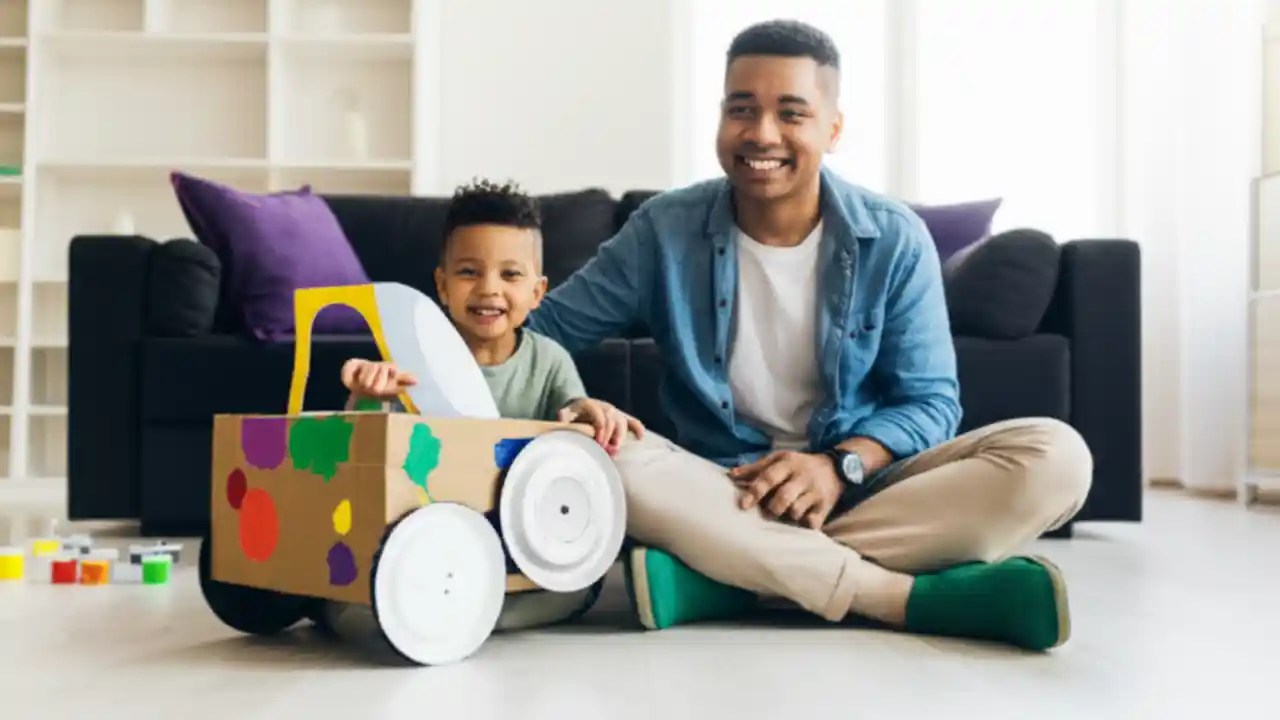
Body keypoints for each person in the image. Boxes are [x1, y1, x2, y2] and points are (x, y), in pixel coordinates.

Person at [524, 20, 1091, 651]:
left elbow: (932, 404)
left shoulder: (894, 238)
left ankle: (727, 578)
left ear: (833, 128)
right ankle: (899, 598)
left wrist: (836, 466)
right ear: (720, 118)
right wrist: (577, 404)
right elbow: (539, 335)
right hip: (721, 488)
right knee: (607, 457)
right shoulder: (663, 230)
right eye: (742, 109)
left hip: (862, 489)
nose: (762, 134)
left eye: (791, 113)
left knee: (1056, 457)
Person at [341, 178, 645, 630]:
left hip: (517, 543)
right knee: (361, 579)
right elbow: (358, 455)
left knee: (579, 587)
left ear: (537, 293)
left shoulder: (548, 360)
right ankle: (419, 606)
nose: (488, 289)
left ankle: (458, 612)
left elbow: (575, 419)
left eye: (510, 274)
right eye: (468, 272)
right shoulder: (413, 359)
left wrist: (589, 412)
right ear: (441, 285)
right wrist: (367, 393)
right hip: (431, 535)